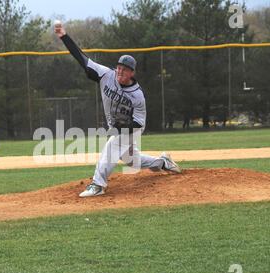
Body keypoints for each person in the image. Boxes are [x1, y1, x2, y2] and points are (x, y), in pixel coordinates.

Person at [55, 23, 181, 198]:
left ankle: (98, 185)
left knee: (112, 145)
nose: (121, 71)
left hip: (133, 128)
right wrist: (64, 36)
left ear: (132, 73)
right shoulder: (106, 75)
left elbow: (139, 123)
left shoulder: (137, 96)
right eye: (119, 68)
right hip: (118, 127)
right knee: (132, 161)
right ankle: (162, 162)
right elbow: (81, 58)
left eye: (125, 70)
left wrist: (122, 128)